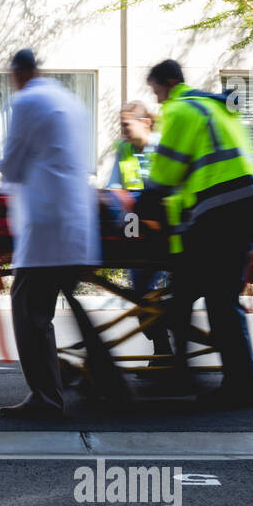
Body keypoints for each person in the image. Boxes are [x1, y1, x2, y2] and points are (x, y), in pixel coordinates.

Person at [139, 59, 253, 409]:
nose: (158, 101)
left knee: (217, 301)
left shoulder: (181, 110)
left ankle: (239, 386)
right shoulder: (217, 107)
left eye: (157, 92)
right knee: (187, 295)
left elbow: (167, 172)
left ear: (168, 83)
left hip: (222, 211)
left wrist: (143, 205)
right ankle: (183, 372)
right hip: (249, 204)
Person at [0, 48, 100, 419]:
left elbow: (12, 163)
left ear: (18, 73)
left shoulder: (27, 101)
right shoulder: (70, 102)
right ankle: (89, 378)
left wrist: (2, 172)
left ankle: (47, 397)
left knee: (29, 312)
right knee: (49, 307)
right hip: (76, 223)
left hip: (46, 227)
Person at [104, 101, 172, 356]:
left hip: (163, 230)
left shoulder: (163, 147)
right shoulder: (124, 149)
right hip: (135, 231)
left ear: (145, 123)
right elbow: (114, 186)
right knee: (142, 296)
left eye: (126, 124)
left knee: (160, 298)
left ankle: (168, 352)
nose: (123, 130)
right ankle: (162, 352)